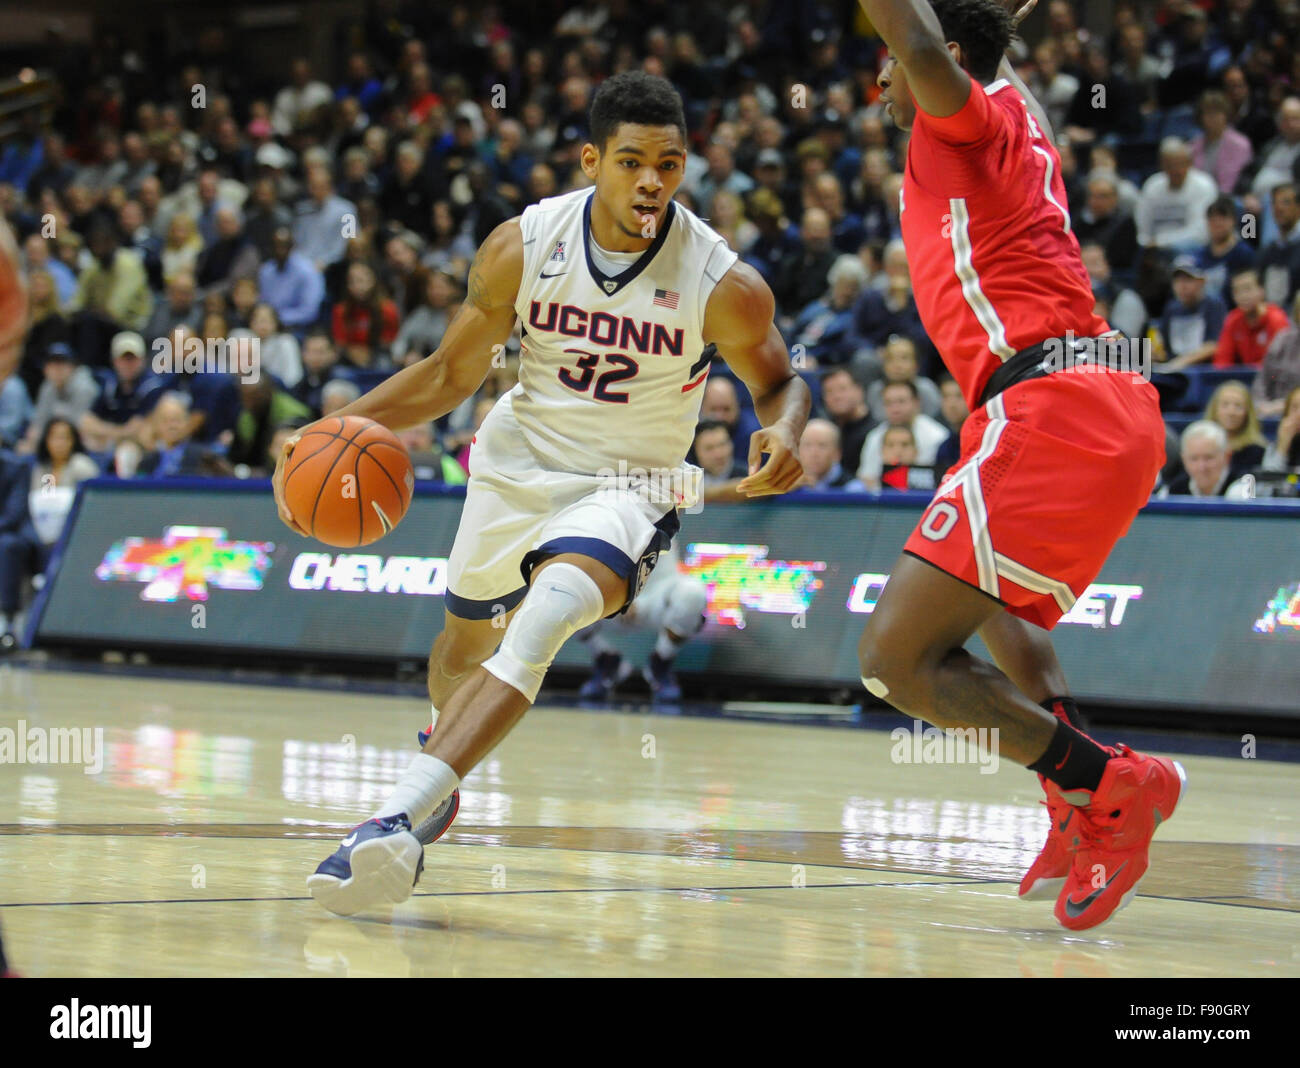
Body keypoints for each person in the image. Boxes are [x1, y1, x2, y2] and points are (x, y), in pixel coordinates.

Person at [273, 70, 809, 916]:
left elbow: (778, 381)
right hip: (518, 459)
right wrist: (328, 429)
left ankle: (390, 820)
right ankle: (441, 772)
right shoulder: (523, 246)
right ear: (592, 160)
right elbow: (451, 374)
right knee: (459, 649)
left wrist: (784, 426)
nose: (650, 183)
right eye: (631, 162)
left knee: (549, 613)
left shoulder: (719, 280)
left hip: (631, 484)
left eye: (669, 164)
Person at [859, 0, 1184, 933]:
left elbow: (920, 41)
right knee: (996, 611)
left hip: (1054, 406)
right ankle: (1074, 796)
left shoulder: (965, 122)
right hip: (1084, 398)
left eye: (886, 62)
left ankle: (1112, 787)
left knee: (895, 662)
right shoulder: (1011, 106)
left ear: (946, 60)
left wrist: (913, 34)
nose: (879, 77)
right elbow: (949, 36)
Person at [576, 539, 709, 703]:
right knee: (568, 589)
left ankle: (660, 662)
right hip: (611, 595)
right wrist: (621, 592)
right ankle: (606, 659)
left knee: (692, 593)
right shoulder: (598, 515)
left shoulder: (666, 513)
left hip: (659, 595)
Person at [856, 380, 948, 489]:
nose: (895, 409)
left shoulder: (937, 436)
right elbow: (866, 478)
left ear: (916, 402)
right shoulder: (875, 436)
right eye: (888, 403)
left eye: (901, 401)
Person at [1153, 257, 1227, 369]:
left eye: (1188, 280)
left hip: (1203, 372)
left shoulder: (1214, 306)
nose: (1182, 286)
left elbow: (1213, 345)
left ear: (1202, 281)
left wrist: (1181, 362)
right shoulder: (1171, 309)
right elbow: (1162, 346)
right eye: (1177, 281)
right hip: (1174, 370)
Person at [1157, 420, 1254, 498]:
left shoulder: (1244, 488)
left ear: (1227, 456)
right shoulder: (1172, 492)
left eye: (1209, 458)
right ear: (1184, 460)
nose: (1201, 467)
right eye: (1194, 459)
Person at [1214, 269, 1290, 367]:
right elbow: (1222, 361)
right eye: (1237, 291)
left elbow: (1279, 360)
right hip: (1245, 378)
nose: (1243, 296)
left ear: (1262, 290)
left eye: (1247, 289)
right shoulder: (1233, 319)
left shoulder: (1276, 319)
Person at [1252, 292, 1300, 418]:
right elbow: (1262, 381)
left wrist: (1287, 405)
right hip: (1272, 413)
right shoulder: (1283, 340)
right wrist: (1261, 405)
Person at [1204, 380, 1267, 470]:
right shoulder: (1201, 446)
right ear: (1214, 410)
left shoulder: (1257, 451)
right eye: (1225, 405)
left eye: (1238, 406)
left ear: (1247, 413)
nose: (1231, 412)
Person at [796, 418, 868, 491]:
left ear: (837, 453)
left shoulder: (852, 489)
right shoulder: (790, 485)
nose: (814, 453)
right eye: (807, 445)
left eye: (822, 445)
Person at [1263, 385, 1300, 470]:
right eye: (1294, 407)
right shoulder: (1278, 441)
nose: (1299, 414)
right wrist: (1283, 445)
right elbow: (1269, 476)